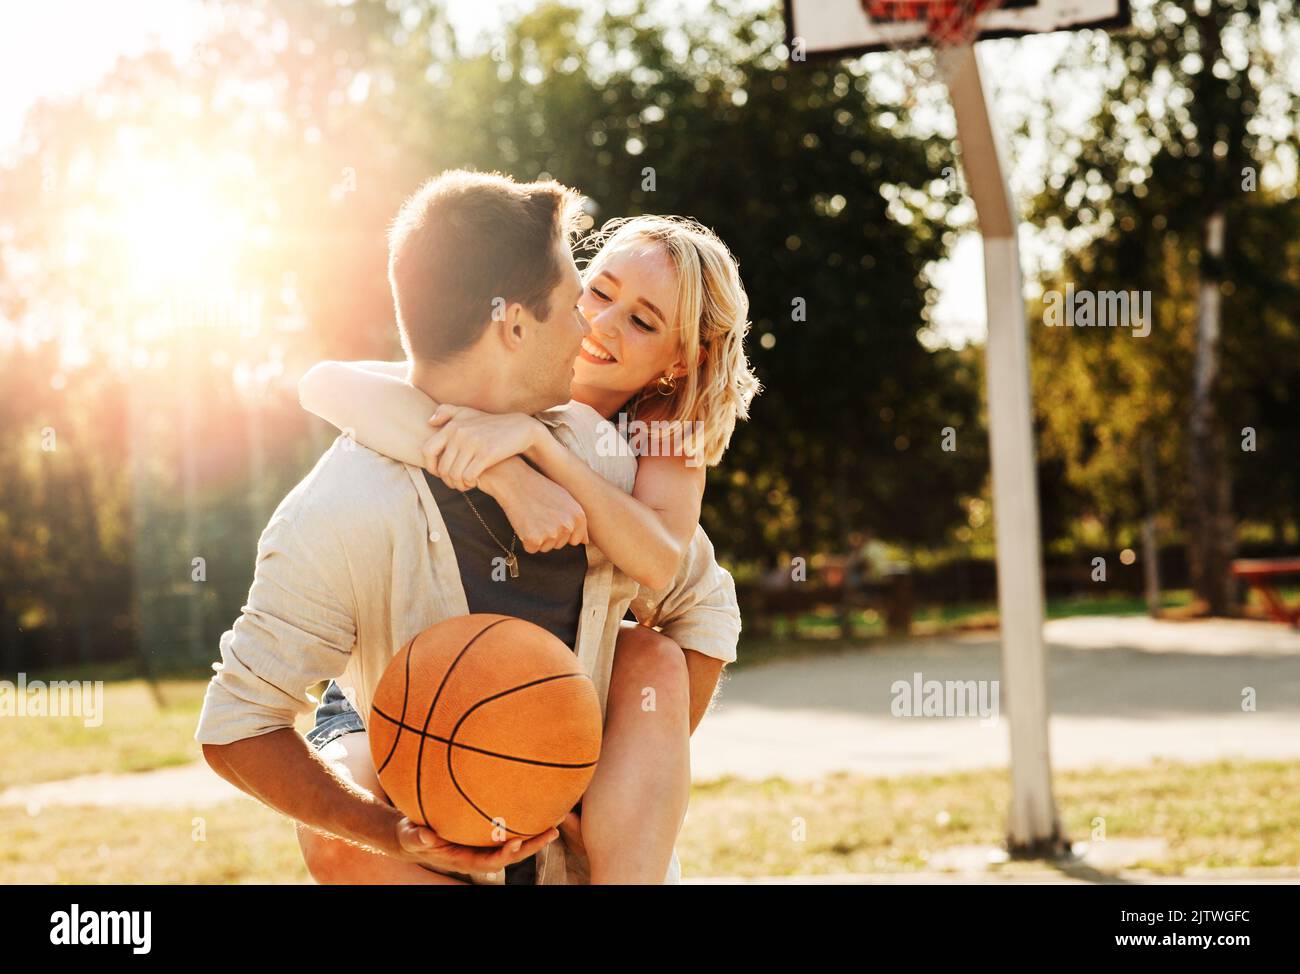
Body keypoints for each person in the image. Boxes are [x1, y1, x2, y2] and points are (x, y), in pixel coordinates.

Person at [196, 170, 743, 885]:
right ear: (517, 323)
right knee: (337, 833)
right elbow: (334, 384)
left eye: (641, 321)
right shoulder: (409, 440)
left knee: (654, 658)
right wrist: (505, 471)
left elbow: (682, 584)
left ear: (680, 359)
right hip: (394, 691)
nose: (597, 326)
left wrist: (603, 781)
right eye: (591, 295)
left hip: (557, 692)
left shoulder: (654, 444)